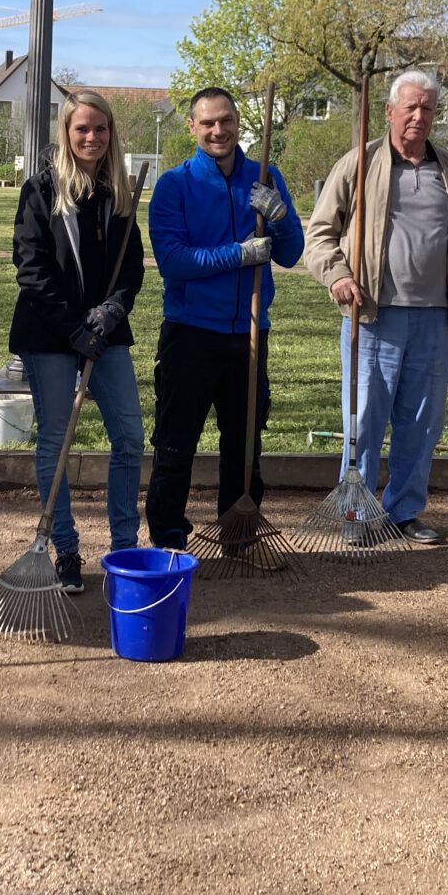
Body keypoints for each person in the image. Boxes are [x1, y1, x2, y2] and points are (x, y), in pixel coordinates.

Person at [303, 70, 448, 544]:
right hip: (373, 317)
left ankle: (404, 510)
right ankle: (354, 515)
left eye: (428, 109)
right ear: (389, 112)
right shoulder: (360, 164)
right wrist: (339, 275)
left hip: (434, 317)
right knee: (364, 419)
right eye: (410, 107)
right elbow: (319, 234)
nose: (419, 117)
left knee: (422, 422)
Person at [144, 86, 305, 553]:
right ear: (192, 127)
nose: (219, 130)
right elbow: (173, 261)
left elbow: (292, 254)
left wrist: (278, 217)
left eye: (226, 121)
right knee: (177, 441)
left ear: (238, 123)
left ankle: (239, 534)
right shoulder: (176, 185)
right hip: (191, 334)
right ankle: (169, 537)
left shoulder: (264, 175)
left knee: (245, 441)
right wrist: (236, 255)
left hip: (250, 332)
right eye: (208, 122)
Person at [9, 90, 147, 591]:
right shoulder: (41, 190)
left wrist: (112, 310)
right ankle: (65, 549)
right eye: (81, 129)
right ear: (66, 133)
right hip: (50, 332)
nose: (92, 137)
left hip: (105, 334)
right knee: (55, 440)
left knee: (129, 436)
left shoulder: (121, 191)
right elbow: (31, 268)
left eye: (101, 129)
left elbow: (131, 266)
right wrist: (72, 329)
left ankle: (125, 547)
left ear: (112, 134)